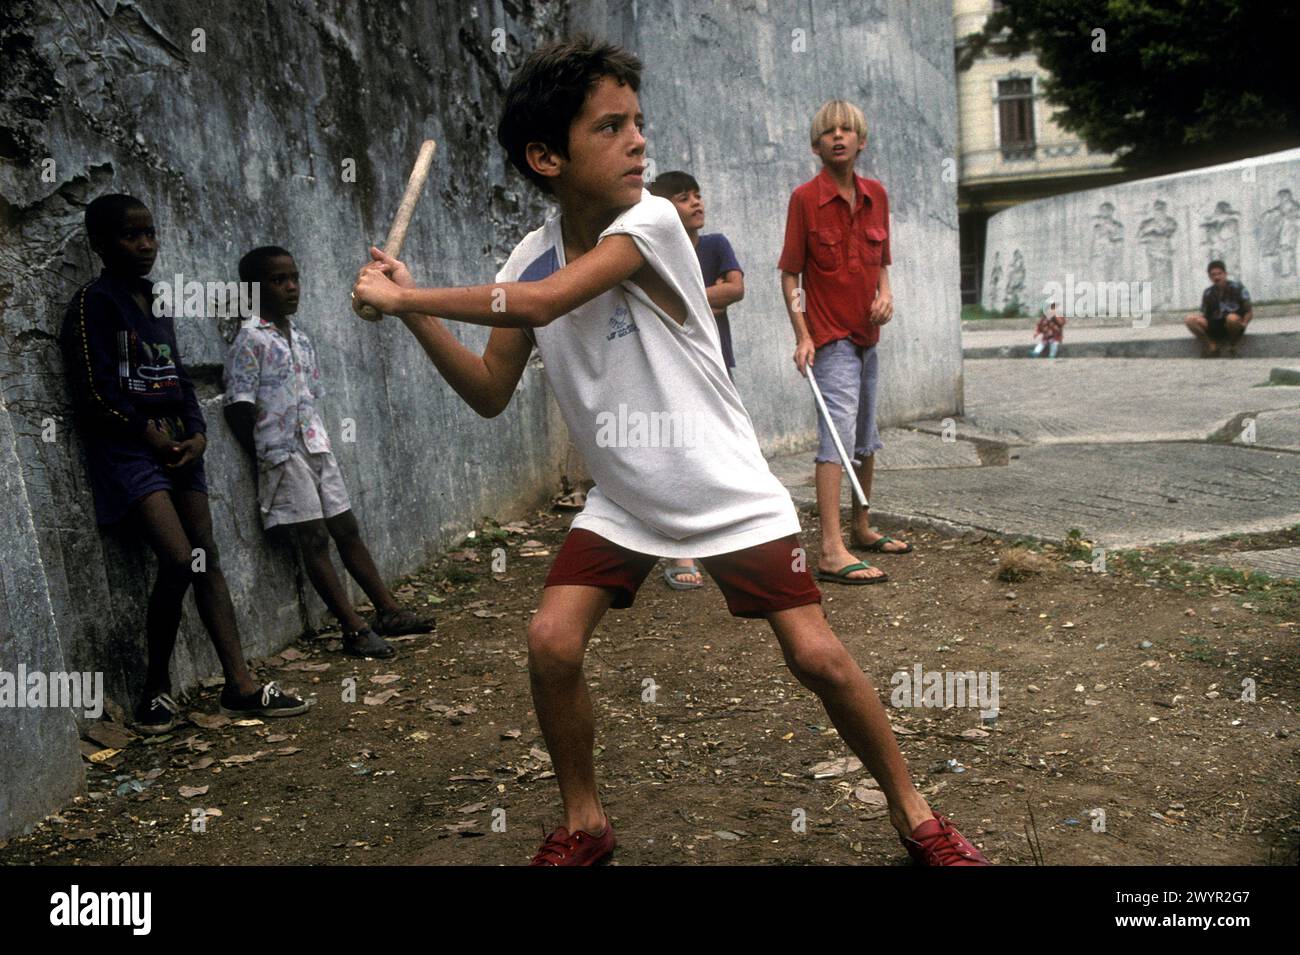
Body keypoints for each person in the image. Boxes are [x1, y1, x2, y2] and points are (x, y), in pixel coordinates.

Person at [350, 35, 989, 867]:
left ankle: (917, 816)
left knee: (819, 657)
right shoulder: (527, 253)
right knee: (550, 641)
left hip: (723, 488)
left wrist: (407, 290)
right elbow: (488, 390)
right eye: (611, 127)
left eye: (637, 122)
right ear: (546, 156)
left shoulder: (649, 222)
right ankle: (586, 822)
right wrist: (410, 314)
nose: (639, 141)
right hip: (625, 499)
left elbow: (540, 305)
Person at [60, 195, 309, 731]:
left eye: (150, 232)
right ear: (100, 243)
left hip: (178, 445)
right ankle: (155, 688)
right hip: (130, 450)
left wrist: (196, 434)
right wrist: (147, 434)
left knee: (205, 557)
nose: (146, 244)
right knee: (177, 559)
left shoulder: (157, 301)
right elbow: (94, 393)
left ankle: (240, 686)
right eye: (131, 235)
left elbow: (175, 379)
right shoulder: (92, 305)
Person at [224, 247, 434, 658]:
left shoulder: (299, 338)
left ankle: (387, 610)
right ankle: (352, 628)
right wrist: (266, 456)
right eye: (278, 280)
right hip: (282, 453)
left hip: (315, 444)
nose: (290, 287)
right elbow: (239, 406)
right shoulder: (250, 338)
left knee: (346, 527)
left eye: (294, 277)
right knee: (314, 537)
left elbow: (308, 396)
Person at [778, 99, 912, 589]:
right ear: (817, 146)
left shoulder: (877, 195)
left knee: (865, 435)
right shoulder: (804, 199)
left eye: (847, 130)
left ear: (861, 140)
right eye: (828, 132)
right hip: (829, 339)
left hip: (866, 337)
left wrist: (886, 295)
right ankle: (831, 550)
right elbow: (790, 272)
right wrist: (803, 335)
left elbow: (882, 263)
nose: (838, 136)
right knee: (835, 438)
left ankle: (861, 527)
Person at [647, 169, 745, 590]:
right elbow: (654, 304)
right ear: (665, 209)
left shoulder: (717, 245)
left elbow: (737, 290)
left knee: (725, 447)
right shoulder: (656, 253)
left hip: (717, 366)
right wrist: (709, 298)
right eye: (685, 198)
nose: (697, 203)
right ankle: (680, 546)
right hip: (673, 370)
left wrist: (686, 302)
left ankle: (727, 536)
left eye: (698, 196)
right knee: (678, 452)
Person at [1183, 260, 1253, 358]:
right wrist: (1199, 319)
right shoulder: (1208, 292)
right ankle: (1212, 347)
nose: (1217, 277)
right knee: (1189, 319)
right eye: (1213, 274)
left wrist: (1244, 324)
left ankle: (1232, 345)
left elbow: (1249, 311)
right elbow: (1204, 313)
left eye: (1219, 273)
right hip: (1215, 323)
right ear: (1209, 276)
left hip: (1233, 324)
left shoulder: (1238, 288)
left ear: (1225, 274)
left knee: (1231, 318)